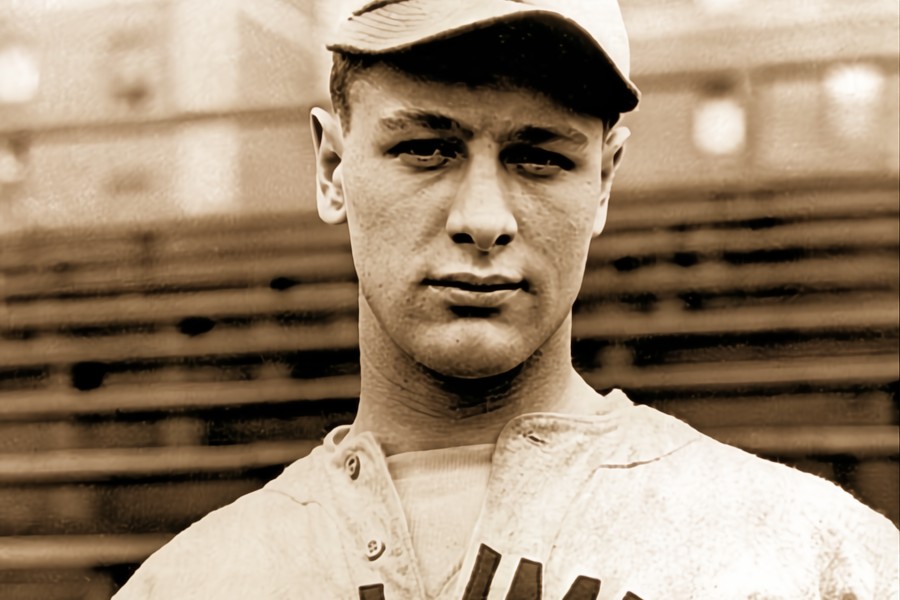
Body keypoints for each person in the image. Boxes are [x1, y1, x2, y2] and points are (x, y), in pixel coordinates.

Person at [114, 1, 899, 598]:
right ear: (331, 168)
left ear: (604, 184)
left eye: (539, 157)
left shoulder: (810, 553)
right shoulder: (190, 582)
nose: (482, 220)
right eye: (425, 149)